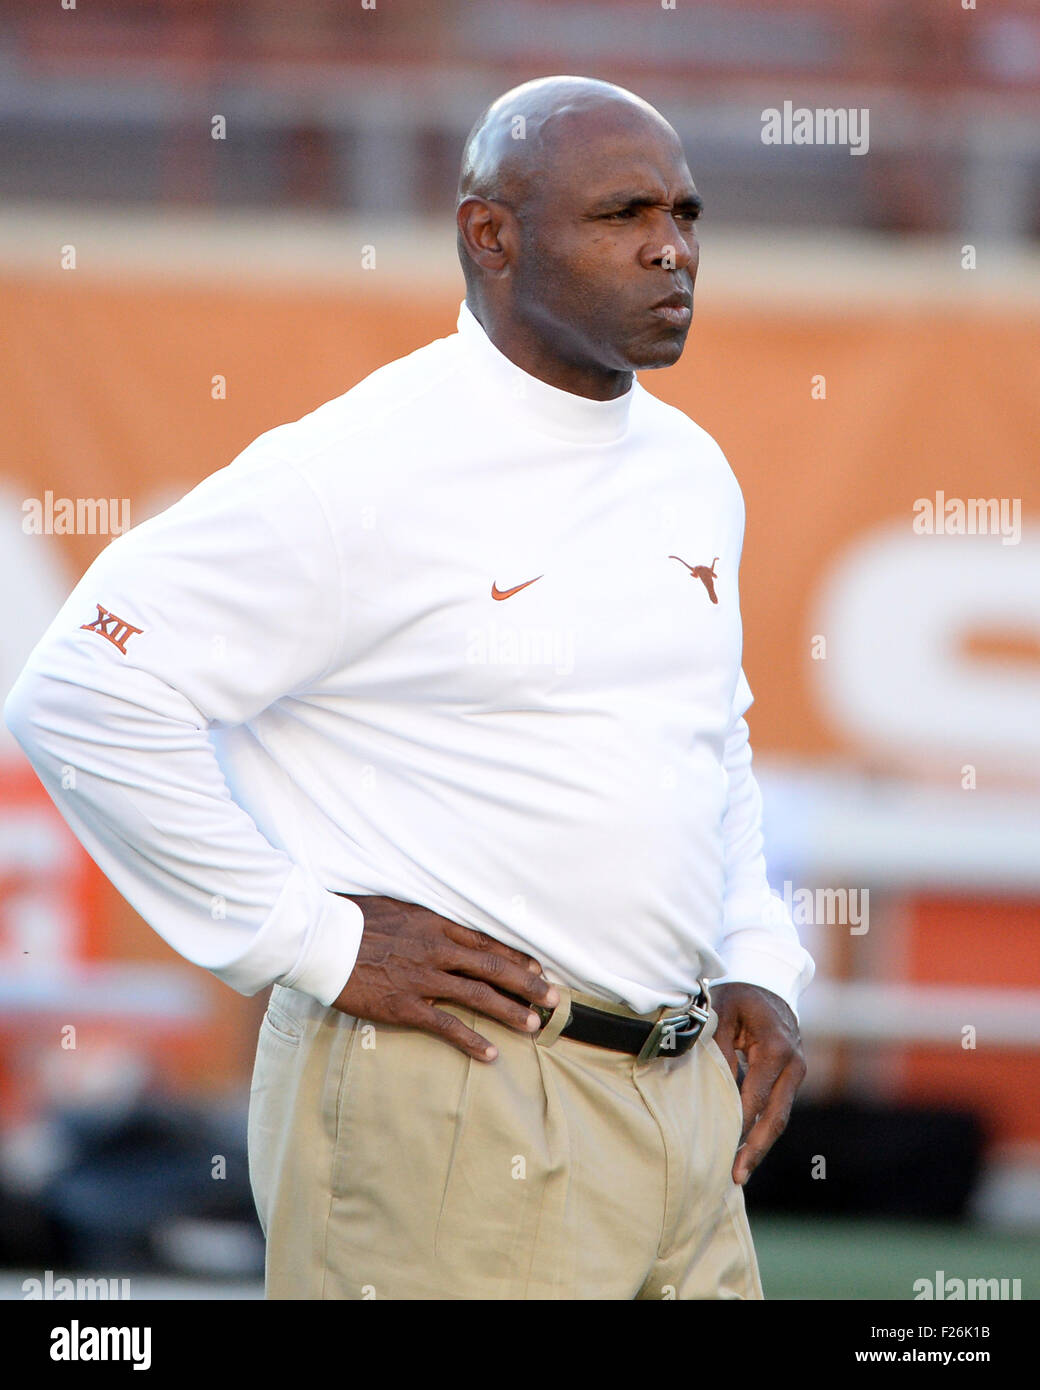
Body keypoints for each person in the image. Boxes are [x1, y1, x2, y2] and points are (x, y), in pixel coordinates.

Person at [4, 74, 813, 1300]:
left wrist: (756, 955)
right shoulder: (359, 467)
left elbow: (710, 731)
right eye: (621, 214)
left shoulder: (690, 466)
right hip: (450, 1091)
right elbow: (81, 693)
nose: (670, 247)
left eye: (686, 214)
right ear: (490, 236)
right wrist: (311, 938)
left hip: (677, 1097)